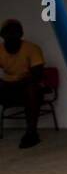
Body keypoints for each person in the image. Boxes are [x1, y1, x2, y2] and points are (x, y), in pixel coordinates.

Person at [0, 19, 45, 149]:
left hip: (28, 86)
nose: (12, 36)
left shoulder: (32, 48)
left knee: (31, 88)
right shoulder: (0, 50)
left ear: (21, 34)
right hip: (8, 86)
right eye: (9, 33)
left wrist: (21, 81)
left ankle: (31, 133)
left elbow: (37, 75)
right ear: (3, 36)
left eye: (15, 33)